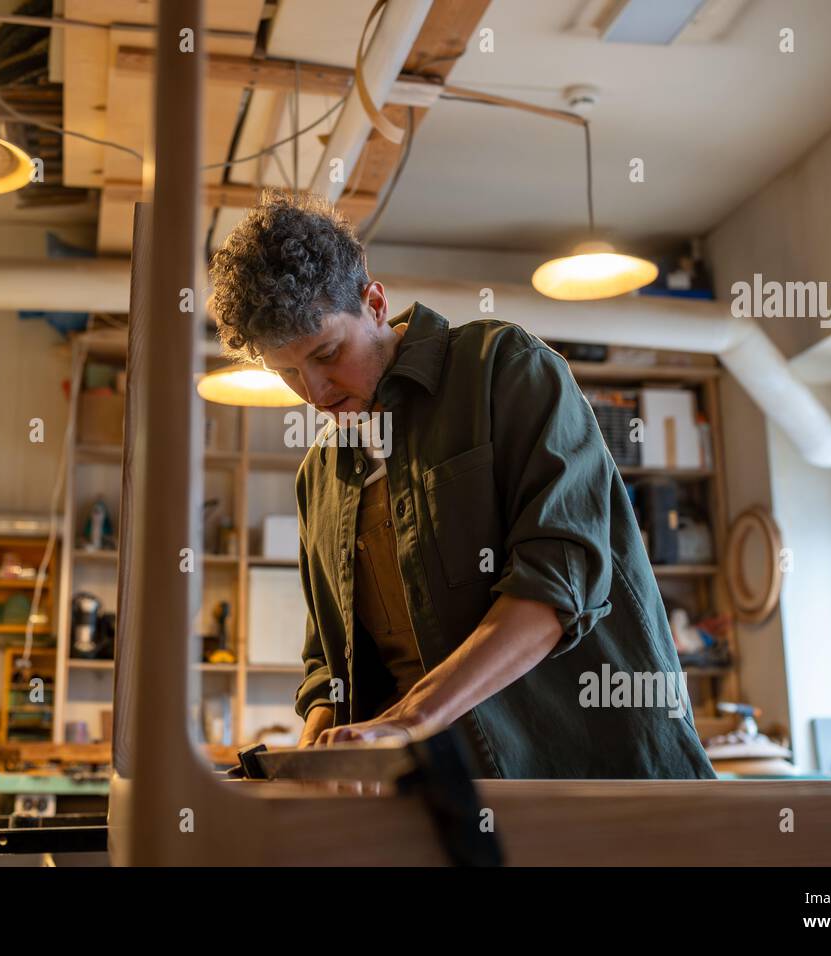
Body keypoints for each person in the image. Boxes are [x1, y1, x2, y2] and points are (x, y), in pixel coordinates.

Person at [207, 190, 716, 779]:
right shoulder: (318, 477)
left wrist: (408, 719)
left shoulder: (504, 369)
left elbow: (558, 585)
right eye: (289, 372)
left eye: (327, 353)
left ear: (374, 304)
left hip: (594, 782)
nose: (315, 392)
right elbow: (329, 662)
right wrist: (315, 753)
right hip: (445, 805)